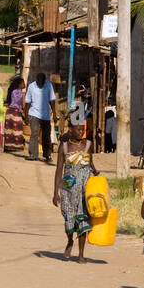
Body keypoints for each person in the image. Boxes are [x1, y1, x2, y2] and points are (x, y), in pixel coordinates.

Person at [52, 106, 97, 262]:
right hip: (68, 190)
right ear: (70, 129)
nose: (81, 132)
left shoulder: (88, 145)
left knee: (83, 220)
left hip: (85, 190)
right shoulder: (64, 147)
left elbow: (91, 163)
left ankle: (81, 254)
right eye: (78, 129)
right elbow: (59, 170)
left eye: (82, 129)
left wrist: (97, 175)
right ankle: (70, 240)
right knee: (69, 219)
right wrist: (55, 193)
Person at [24, 71, 56, 163]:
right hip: (34, 113)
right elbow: (27, 102)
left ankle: (47, 155)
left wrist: (54, 113)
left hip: (45, 115)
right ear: (36, 80)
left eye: (42, 82)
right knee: (34, 133)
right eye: (39, 82)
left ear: (45, 81)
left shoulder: (49, 86)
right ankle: (33, 154)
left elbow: (52, 101)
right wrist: (26, 116)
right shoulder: (31, 86)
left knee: (46, 135)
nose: (41, 84)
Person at [3, 76, 27, 152]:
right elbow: (23, 105)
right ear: (19, 84)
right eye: (23, 83)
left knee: (9, 130)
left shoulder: (12, 91)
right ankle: (17, 147)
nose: (24, 85)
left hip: (9, 111)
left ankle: (8, 146)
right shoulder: (22, 93)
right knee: (17, 130)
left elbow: (8, 102)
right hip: (16, 112)